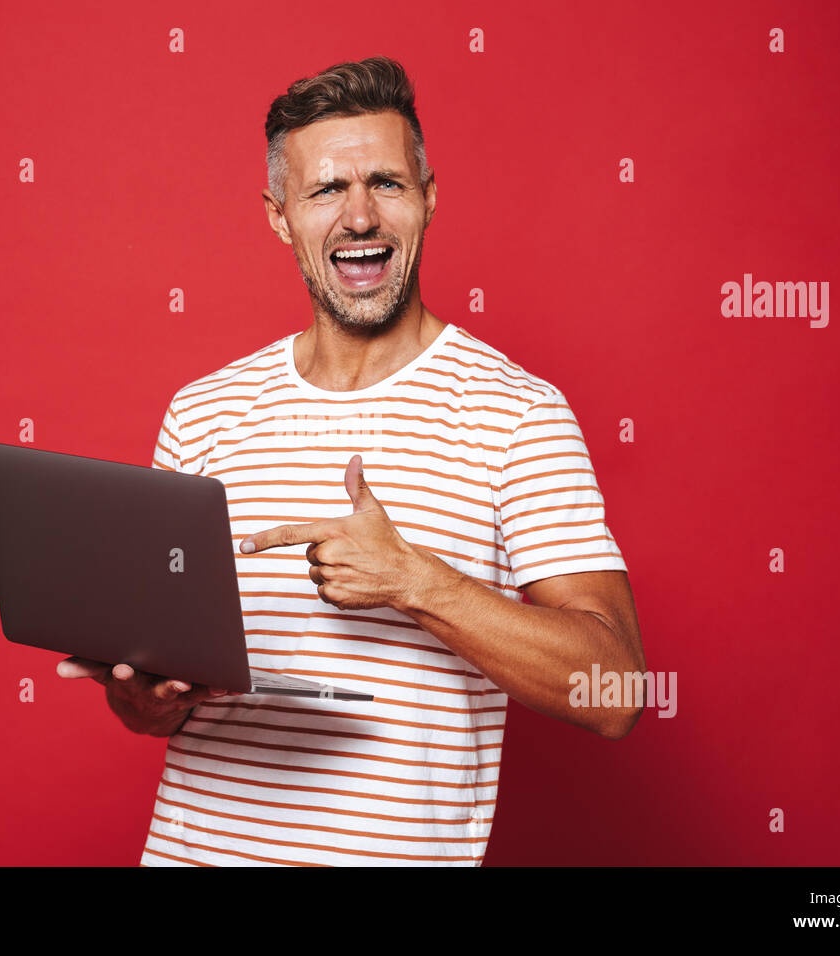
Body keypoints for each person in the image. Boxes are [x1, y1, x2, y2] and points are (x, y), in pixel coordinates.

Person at [58, 56, 645, 866]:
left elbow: (616, 689)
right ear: (279, 215)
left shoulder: (518, 412)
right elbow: (161, 712)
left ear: (429, 199)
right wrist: (142, 697)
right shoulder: (203, 413)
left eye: (387, 184)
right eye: (327, 190)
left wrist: (414, 580)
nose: (360, 216)